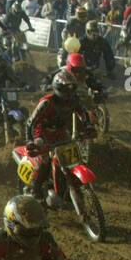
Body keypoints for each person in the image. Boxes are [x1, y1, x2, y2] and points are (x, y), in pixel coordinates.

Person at [24, 72, 94, 202]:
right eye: (66, 89)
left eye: (72, 88)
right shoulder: (47, 102)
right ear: (57, 88)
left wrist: (88, 126)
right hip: (42, 134)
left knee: (73, 158)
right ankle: (35, 189)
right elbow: (31, 122)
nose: (69, 93)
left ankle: (67, 187)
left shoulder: (74, 100)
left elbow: (83, 113)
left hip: (61, 133)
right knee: (43, 163)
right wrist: (30, 141)